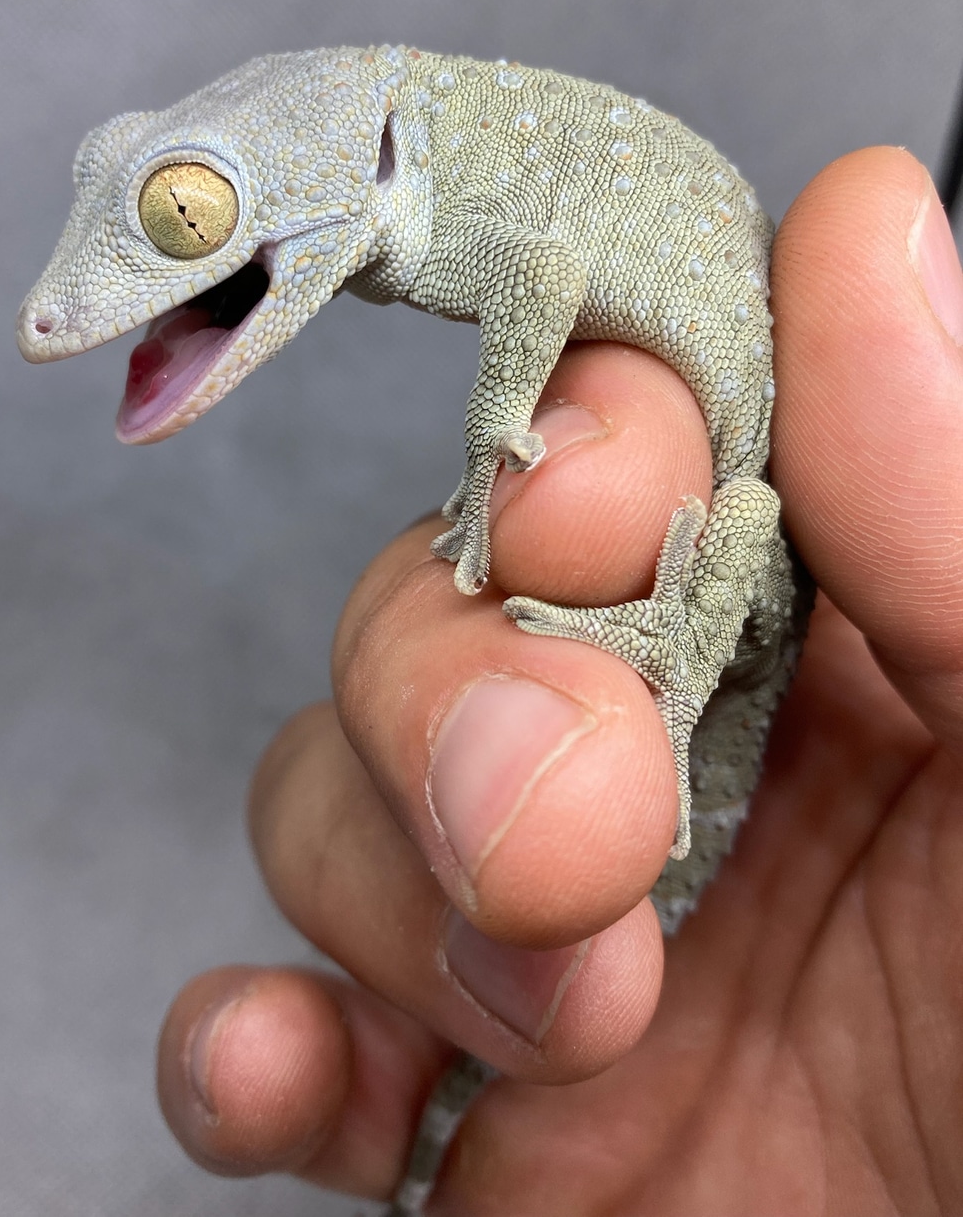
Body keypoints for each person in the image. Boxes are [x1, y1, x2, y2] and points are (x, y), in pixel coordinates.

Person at [155, 148, 963, 1213]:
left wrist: (499, 426)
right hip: (747, 641)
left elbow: (539, 276)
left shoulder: (436, 188)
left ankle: (670, 671)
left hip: (754, 567)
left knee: (662, 518)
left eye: (181, 212)